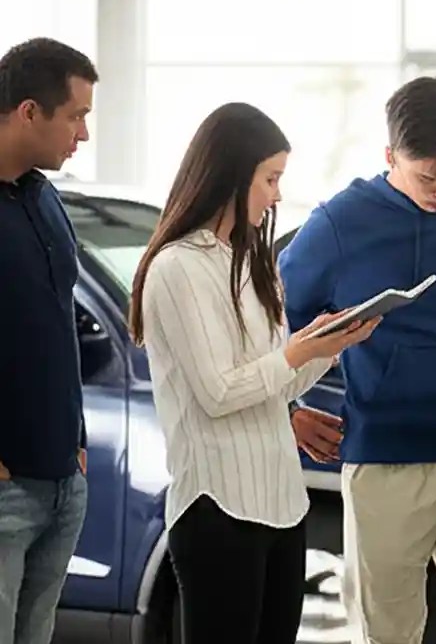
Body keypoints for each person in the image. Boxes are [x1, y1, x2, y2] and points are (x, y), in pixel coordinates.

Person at [278, 76, 436, 644]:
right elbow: (275, 320)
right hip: (386, 464)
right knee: (385, 636)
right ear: (390, 155)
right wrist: (286, 408)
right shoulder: (339, 223)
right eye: (426, 176)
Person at [129, 102, 379, 644]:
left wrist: (328, 347)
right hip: (218, 508)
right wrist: (294, 353)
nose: (278, 194)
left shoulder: (251, 263)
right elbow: (219, 392)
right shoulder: (176, 267)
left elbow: (275, 387)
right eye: (271, 178)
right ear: (231, 174)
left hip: (282, 506)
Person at [0, 37, 97, 644]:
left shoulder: (45, 197)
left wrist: (78, 440)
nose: (82, 135)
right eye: (76, 117)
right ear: (29, 111)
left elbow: (59, 322)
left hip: (63, 480)